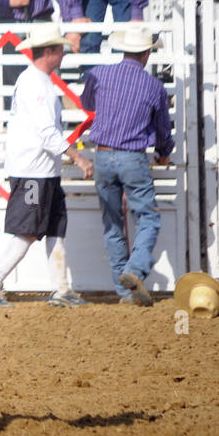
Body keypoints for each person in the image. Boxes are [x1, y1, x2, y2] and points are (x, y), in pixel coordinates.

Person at [0, 25, 94, 308]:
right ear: (49, 51)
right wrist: (77, 157)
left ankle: (60, 289)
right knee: (28, 229)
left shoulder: (35, 81)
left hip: (39, 170)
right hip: (33, 171)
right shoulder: (36, 84)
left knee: (53, 227)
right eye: (60, 49)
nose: (63, 53)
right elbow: (46, 132)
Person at [80, 26, 174, 307]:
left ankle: (125, 293)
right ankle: (134, 269)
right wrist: (163, 153)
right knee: (147, 218)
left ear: (123, 49)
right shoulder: (154, 86)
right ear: (146, 53)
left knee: (112, 223)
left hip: (102, 155)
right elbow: (162, 131)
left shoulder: (99, 74)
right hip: (132, 157)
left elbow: (88, 103)